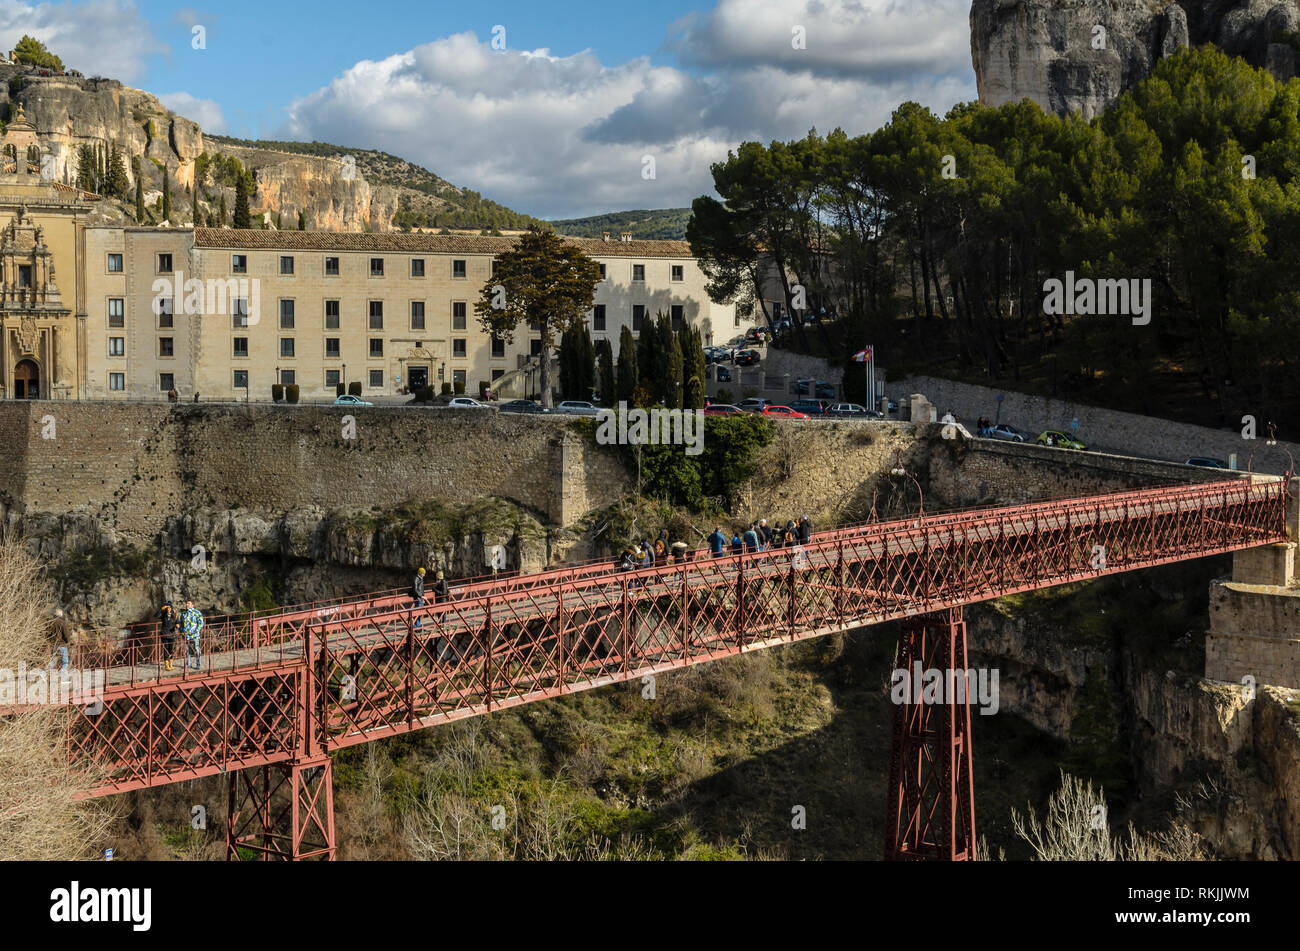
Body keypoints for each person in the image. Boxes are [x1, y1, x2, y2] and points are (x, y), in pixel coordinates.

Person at [180, 599, 204, 670]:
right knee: (187, 650)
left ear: (192, 605)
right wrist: (181, 631)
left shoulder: (197, 612)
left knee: (197, 649)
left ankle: (198, 664)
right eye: (186, 603)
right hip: (186, 635)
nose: (187, 605)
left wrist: (196, 630)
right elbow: (181, 623)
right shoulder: (183, 613)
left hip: (195, 635)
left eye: (189, 603)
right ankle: (188, 664)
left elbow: (201, 623)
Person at [48, 608, 73, 673]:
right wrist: (68, 641)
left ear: (55, 614)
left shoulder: (51, 622)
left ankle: (44, 673)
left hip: (54, 645)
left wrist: (50, 642)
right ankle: (63, 676)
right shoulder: (62, 622)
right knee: (65, 663)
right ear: (61, 615)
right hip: (62, 645)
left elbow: (48, 634)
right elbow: (66, 634)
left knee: (53, 661)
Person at [159, 601, 178, 671]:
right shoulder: (163, 615)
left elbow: (177, 622)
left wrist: (177, 625)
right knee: (166, 649)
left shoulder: (174, 614)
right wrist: (162, 609)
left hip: (172, 634)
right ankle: (166, 665)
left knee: (171, 649)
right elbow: (156, 615)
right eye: (167, 608)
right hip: (164, 634)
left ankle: (171, 664)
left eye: (170, 607)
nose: (169, 609)